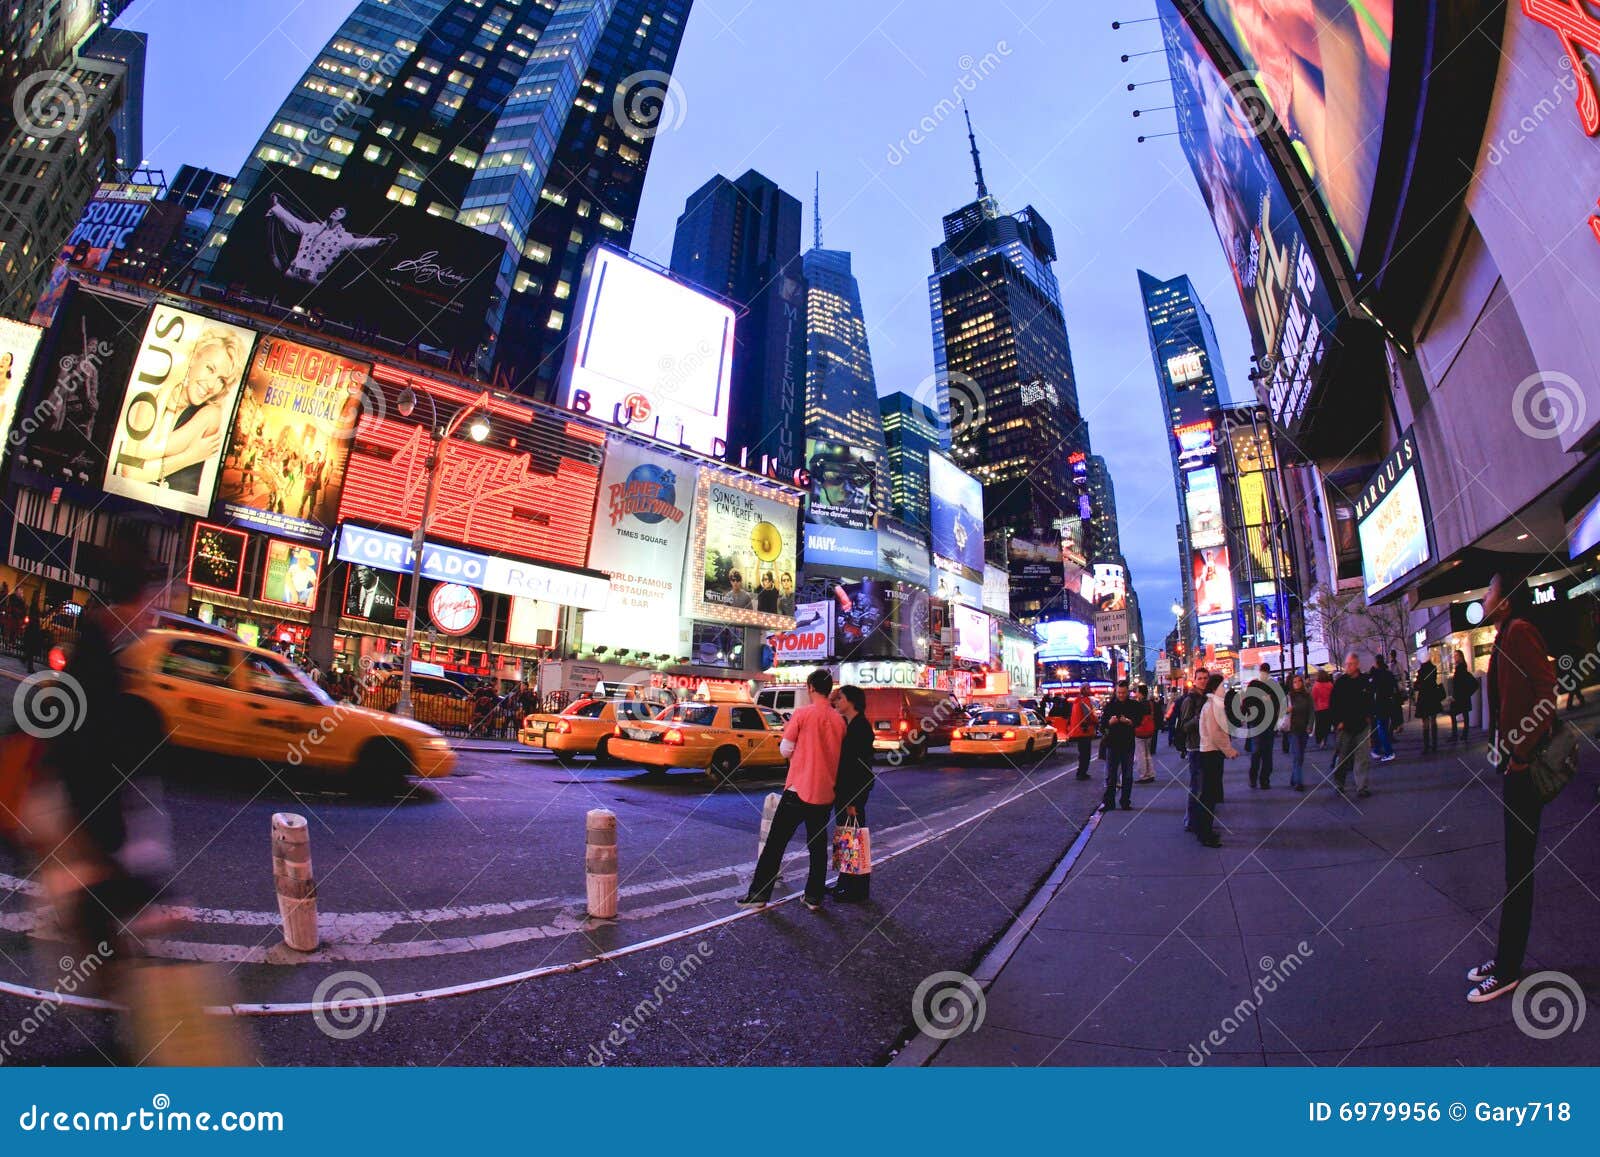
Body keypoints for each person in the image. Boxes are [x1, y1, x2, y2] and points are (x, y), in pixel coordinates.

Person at [1467, 570, 1557, 1003]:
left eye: (1490, 591)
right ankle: (1505, 958)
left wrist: (1522, 751)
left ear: (1506, 601)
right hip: (1514, 766)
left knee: (1519, 870)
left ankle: (1507, 970)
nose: (1484, 596)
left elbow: (1546, 691)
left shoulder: (1519, 632)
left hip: (1525, 768)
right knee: (1514, 869)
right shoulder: (1505, 634)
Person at [740, 668, 845, 911]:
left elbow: (785, 749)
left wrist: (801, 752)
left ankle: (758, 894)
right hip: (824, 791)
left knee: (776, 844)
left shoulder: (802, 714)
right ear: (829, 690)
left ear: (810, 687)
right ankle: (813, 897)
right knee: (817, 847)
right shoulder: (839, 721)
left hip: (798, 790)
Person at [106, 326, 248, 495]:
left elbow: (141, 455)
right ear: (193, 358)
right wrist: (190, 456)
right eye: (210, 369)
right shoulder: (152, 397)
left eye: (221, 380)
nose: (211, 385)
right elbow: (129, 470)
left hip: (174, 512)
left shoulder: (210, 415)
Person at [828, 684, 874, 902]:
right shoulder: (853, 724)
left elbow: (861, 768)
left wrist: (855, 799)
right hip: (846, 792)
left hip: (852, 794)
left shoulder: (860, 728)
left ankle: (855, 889)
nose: (838, 702)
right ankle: (845, 884)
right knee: (847, 838)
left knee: (853, 839)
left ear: (852, 701)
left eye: (841, 698)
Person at [1194, 674, 1236, 847]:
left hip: (1211, 752)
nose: (1225, 689)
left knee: (1208, 794)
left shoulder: (1212, 705)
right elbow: (1216, 732)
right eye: (1222, 686)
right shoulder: (1213, 706)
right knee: (1209, 795)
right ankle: (1205, 833)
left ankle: (1204, 830)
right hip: (1211, 753)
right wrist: (1229, 750)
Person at [1330, 652, 1375, 798]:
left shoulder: (1365, 681)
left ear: (1357, 665)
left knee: (1362, 757)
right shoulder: (1341, 683)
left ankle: (1361, 786)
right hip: (1345, 726)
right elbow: (1334, 704)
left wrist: (1369, 716)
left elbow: (1370, 700)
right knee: (1342, 757)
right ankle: (1339, 783)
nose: (1347, 667)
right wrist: (1338, 722)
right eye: (1346, 664)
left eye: (1350, 664)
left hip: (1362, 724)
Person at [1175, 667, 1210, 833]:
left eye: (1205, 678)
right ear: (1195, 680)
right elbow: (1184, 726)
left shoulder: (1208, 698)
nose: (1203, 680)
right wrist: (1199, 718)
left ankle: (1198, 818)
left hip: (1208, 746)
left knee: (1204, 786)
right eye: (1200, 678)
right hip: (1195, 747)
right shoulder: (1190, 700)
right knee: (1196, 786)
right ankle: (1190, 820)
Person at [1100, 680, 1143, 811]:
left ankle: (1125, 801)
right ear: (1116, 691)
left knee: (1127, 775)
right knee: (1111, 775)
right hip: (1112, 744)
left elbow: (1139, 721)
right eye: (1119, 692)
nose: (1121, 695)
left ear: (1127, 692)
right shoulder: (1110, 705)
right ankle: (1109, 802)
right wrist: (1109, 722)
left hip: (1127, 743)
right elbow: (1102, 725)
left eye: (1123, 693)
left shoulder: (1134, 705)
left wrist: (1130, 722)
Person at [1246, 661, 1282, 788]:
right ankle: (1261, 779)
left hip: (1262, 724)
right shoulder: (1258, 685)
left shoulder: (1269, 686)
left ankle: (1259, 779)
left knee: (1261, 753)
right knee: (1263, 753)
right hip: (1260, 723)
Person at [1284, 674, 1313, 791]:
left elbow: (1311, 711)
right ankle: (1298, 782)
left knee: (1300, 756)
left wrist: (1310, 725)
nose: (1297, 683)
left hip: (1304, 728)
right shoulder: (1289, 697)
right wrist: (1287, 710)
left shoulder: (1307, 696)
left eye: (1299, 681)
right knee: (1297, 756)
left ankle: (1294, 777)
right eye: (1294, 682)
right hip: (1293, 729)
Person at [1063, 684, 1098, 780]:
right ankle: (1082, 773)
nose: (1090, 690)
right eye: (1088, 688)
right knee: (1085, 754)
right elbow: (1089, 715)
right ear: (1084, 690)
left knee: (1082, 753)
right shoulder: (1085, 701)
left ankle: (1081, 772)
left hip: (1079, 731)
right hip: (1084, 731)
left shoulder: (1076, 701)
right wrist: (1096, 721)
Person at [1368, 654, 1398, 762]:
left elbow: (1372, 689)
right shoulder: (1388, 674)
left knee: (1381, 728)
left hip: (1380, 704)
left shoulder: (1376, 675)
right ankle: (1377, 749)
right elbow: (1394, 687)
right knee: (1383, 727)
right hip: (1388, 703)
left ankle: (1388, 751)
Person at [1414, 654, 1445, 754]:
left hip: (1424, 698)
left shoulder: (1421, 671)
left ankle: (1427, 746)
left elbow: (1417, 685)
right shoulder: (1433, 668)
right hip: (1433, 696)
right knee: (1433, 720)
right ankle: (1435, 744)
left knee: (1425, 722)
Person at [1450, 650, 1478, 741]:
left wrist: (1463, 693)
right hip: (1462, 696)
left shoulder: (1461, 669)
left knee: (1455, 714)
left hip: (1460, 696)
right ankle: (1463, 734)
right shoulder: (1460, 668)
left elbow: (1460, 683)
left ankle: (1457, 735)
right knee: (1464, 714)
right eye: (1454, 655)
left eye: (1456, 655)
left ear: (1460, 657)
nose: (1454, 657)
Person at [1134, 683, 1158, 783]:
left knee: (1141, 754)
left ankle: (1144, 775)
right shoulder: (1150, 703)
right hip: (1149, 730)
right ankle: (1151, 773)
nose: (1136, 694)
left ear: (1140, 693)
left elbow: (1136, 718)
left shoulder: (1138, 704)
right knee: (1147, 754)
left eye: (1136, 691)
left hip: (1140, 732)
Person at [21, 591, 45, 674]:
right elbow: (33, 617)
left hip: (32, 629)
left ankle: (25, 659)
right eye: (39, 596)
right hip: (32, 630)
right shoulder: (34, 606)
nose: (40, 598)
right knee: (31, 649)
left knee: (30, 648)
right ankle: (30, 667)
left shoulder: (34, 605)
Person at [1311, 669, 1334, 748]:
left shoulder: (1316, 685)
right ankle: (1325, 738)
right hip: (1329, 707)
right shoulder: (1330, 685)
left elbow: (1314, 697)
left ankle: (1320, 740)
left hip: (1319, 708)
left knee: (1319, 725)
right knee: (1326, 725)